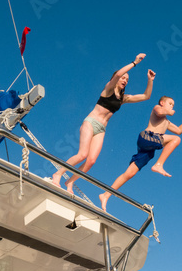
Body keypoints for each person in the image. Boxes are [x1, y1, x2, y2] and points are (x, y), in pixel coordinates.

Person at [50, 54, 154, 194]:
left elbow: (145, 96)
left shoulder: (123, 98)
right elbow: (117, 74)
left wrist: (150, 80)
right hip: (90, 122)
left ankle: (70, 181)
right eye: (124, 78)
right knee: (82, 155)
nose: (125, 80)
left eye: (127, 80)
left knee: (91, 161)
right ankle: (57, 174)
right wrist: (135, 63)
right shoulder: (108, 89)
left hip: (101, 129)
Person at [99, 96, 182, 212]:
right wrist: (170, 112)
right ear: (162, 103)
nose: (172, 106)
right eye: (170, 103)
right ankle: (159, 165)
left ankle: (106, 194)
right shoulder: (157, 108)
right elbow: (161, 112)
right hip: (147, 137)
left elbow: (179, 130)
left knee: (130, 173)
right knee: (175, 140)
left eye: (173, 105)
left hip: (149, 148)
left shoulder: (166, 121)